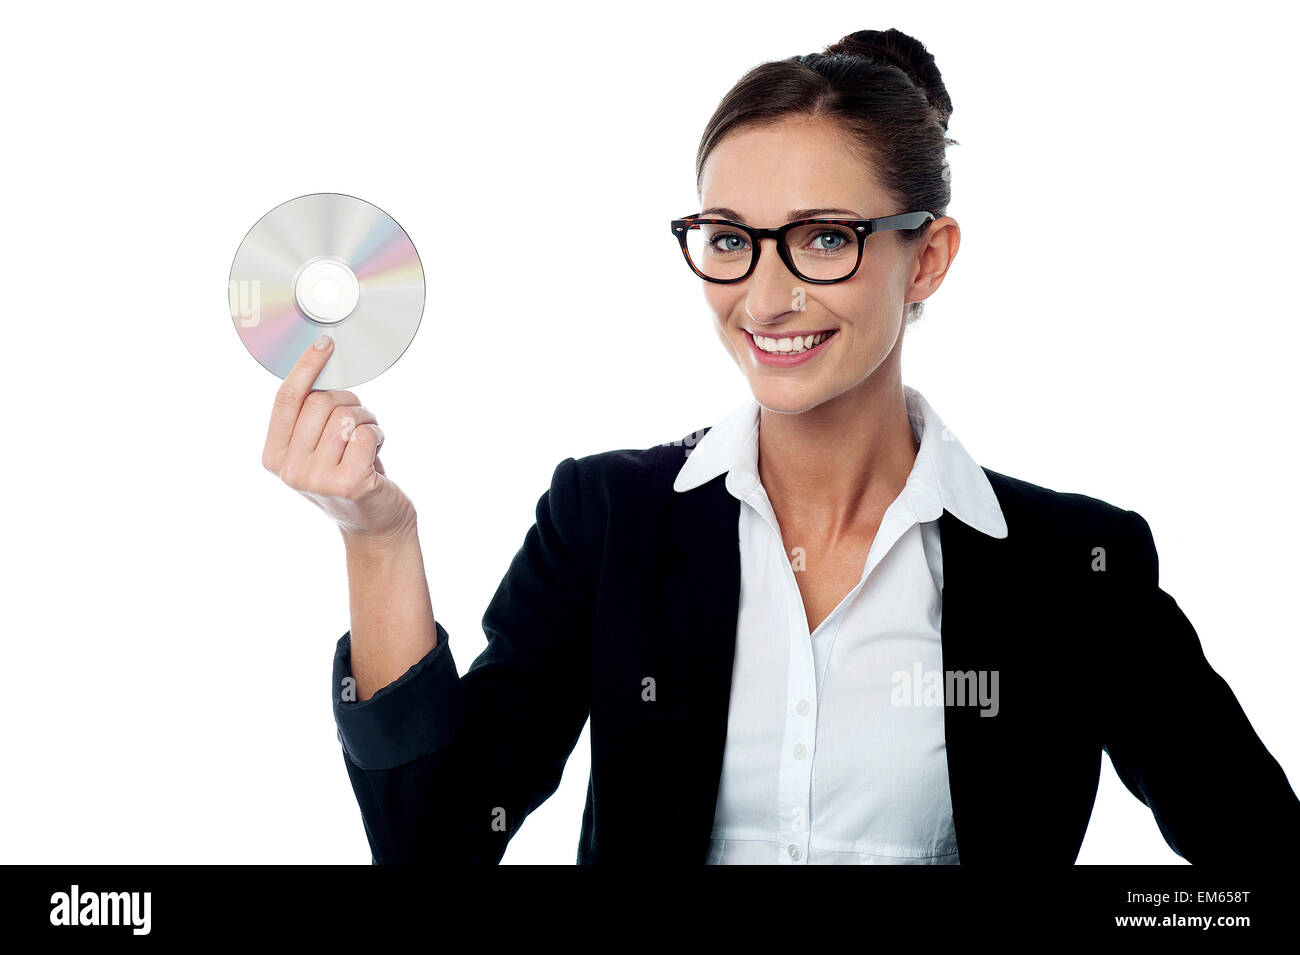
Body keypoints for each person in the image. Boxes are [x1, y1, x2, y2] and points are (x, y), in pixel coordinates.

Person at [263, 27, 1300, 864]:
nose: (764, 295)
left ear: (926, 256)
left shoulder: (1074, 567)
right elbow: (436, 841)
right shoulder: (608, 519)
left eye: (824, 237)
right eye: (728, 238)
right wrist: (377, 536)